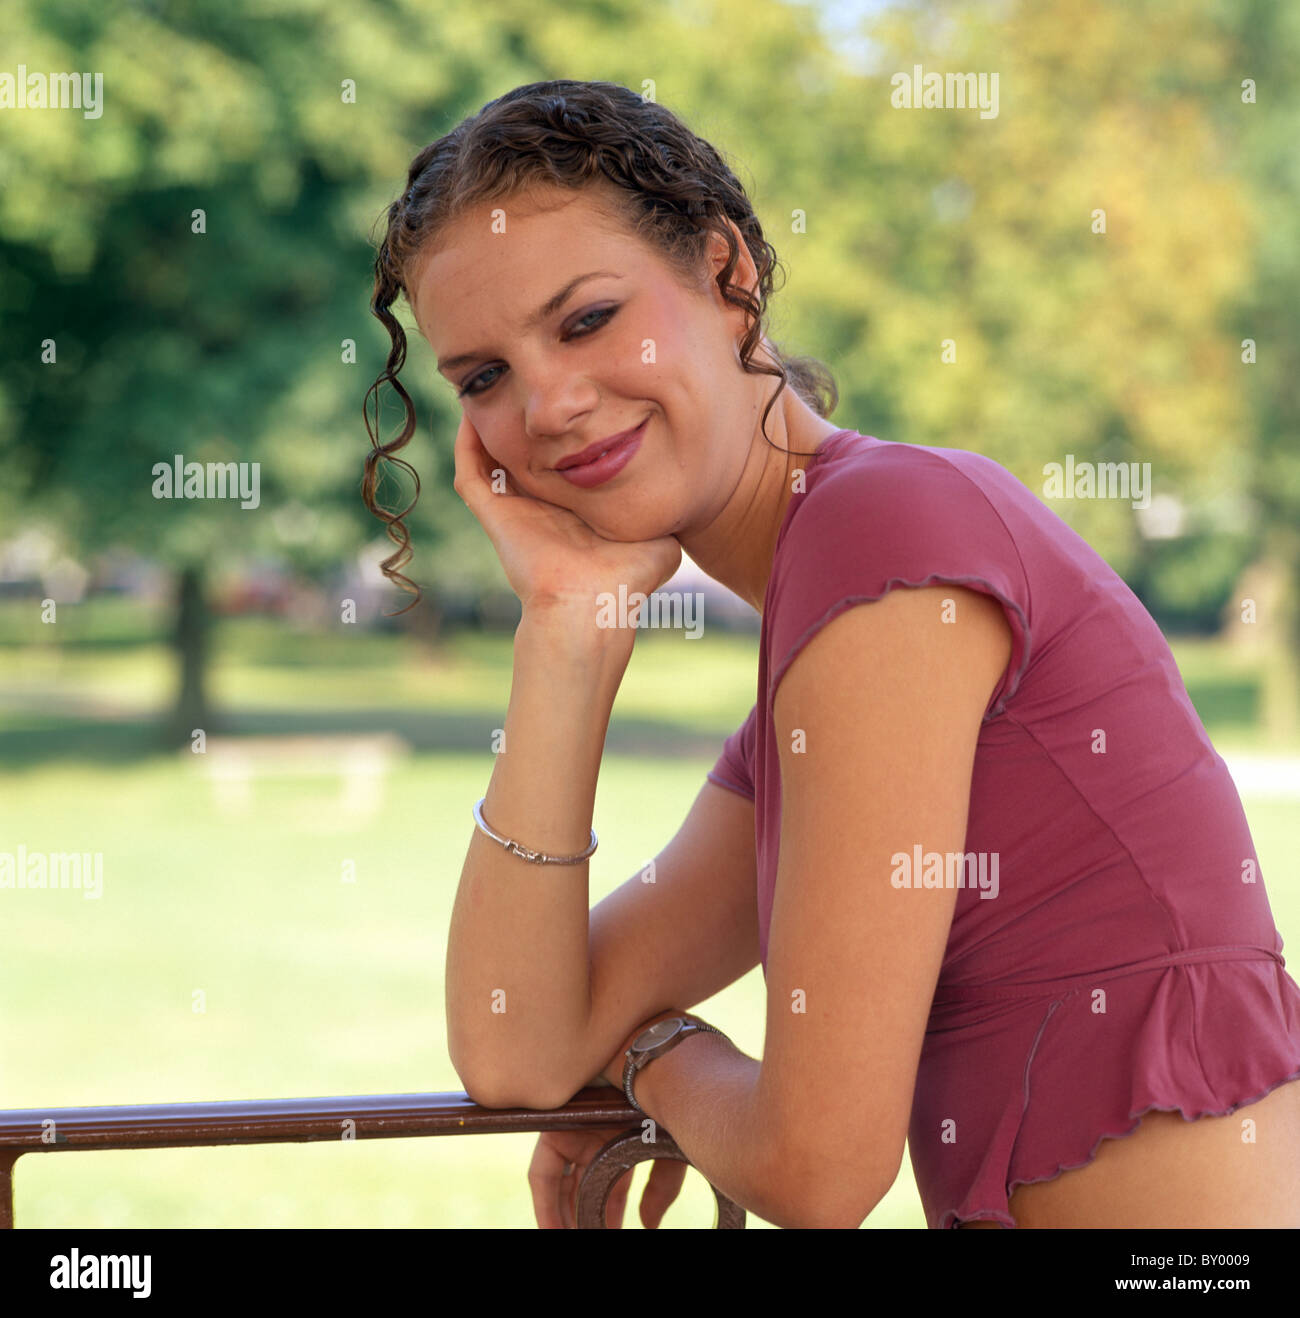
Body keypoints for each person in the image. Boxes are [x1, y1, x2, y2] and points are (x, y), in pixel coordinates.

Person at [362, 79, 1300, 1228]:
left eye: (587, 318)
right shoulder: (823, 635)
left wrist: (653, 1053)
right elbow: (518, 1042)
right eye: (483, 379)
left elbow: (815, 1165)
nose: (549, 403)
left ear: (727, 275)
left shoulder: (887, 534)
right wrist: (565, 624)